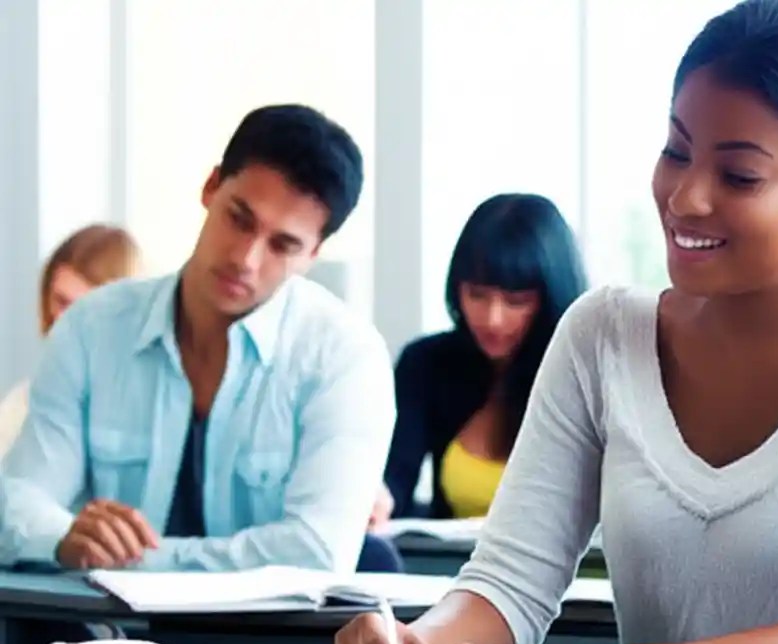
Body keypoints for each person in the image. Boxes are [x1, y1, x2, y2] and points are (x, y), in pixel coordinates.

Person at [333, 1, 778, 644]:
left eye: (739, 177)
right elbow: (509, 583)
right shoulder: (602, 334)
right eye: (676, 150)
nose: (684, 195)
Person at [0, 104, 395, 573]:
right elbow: (18, 502)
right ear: (210, 188)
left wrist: (131, 560)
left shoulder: (345, 357)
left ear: (313, 252)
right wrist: (63, 537)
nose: (246, 259)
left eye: (282, 245)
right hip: (103, 636)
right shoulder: (90, 328)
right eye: (240, 219)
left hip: (273, 643)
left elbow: (315, 550)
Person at [378, 193, 587, 524]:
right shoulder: (426, 363)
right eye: (476, 295)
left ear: (551, 297)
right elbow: (395, 479)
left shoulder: (585, 376)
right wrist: (379, 499)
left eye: (516, 301)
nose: (492, 318)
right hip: (447, 567)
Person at [0, 225, 142, 458]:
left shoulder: (157, 406)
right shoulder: (21, 406)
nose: (66, 323)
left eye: (85, 309)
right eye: (61, 301)